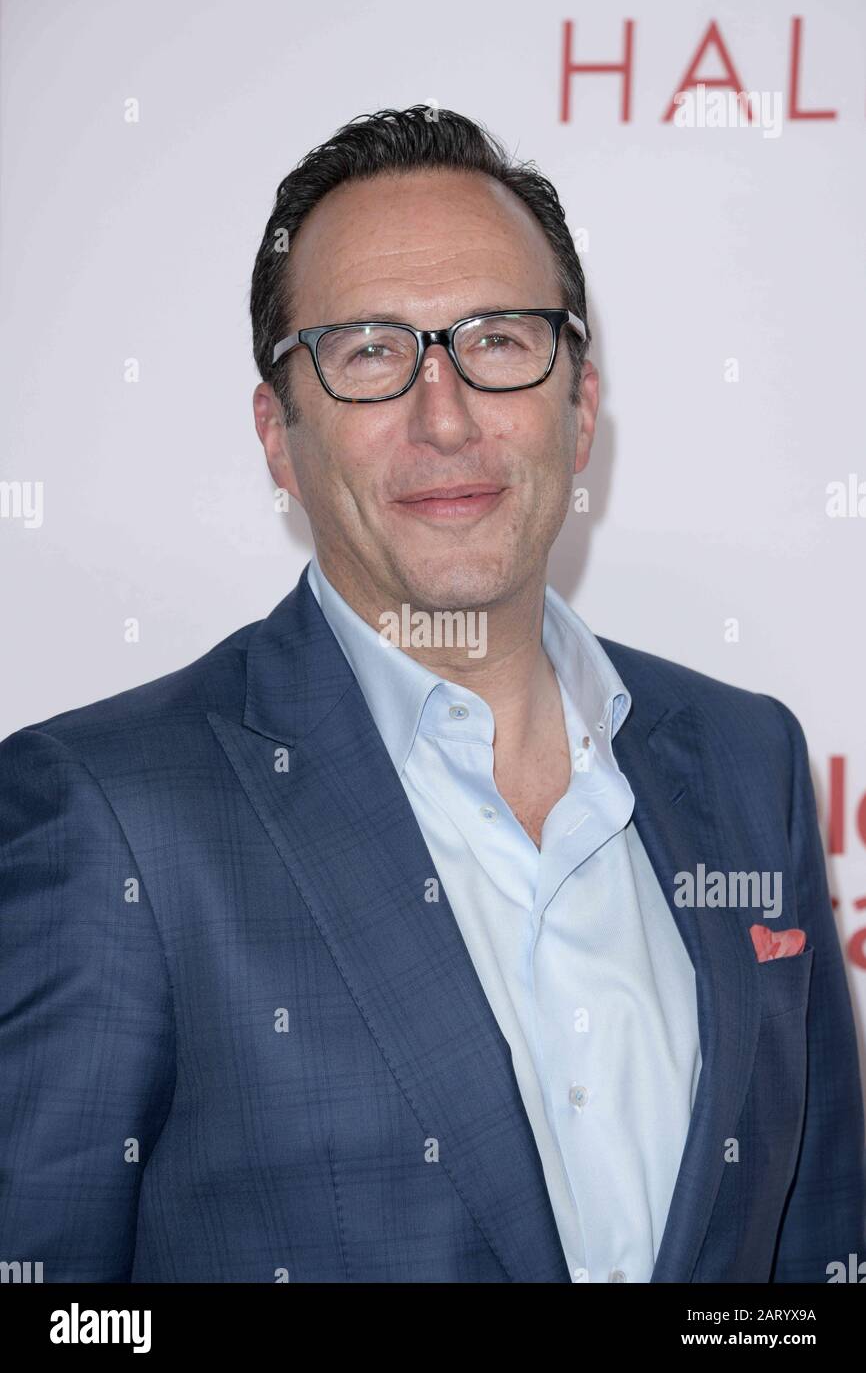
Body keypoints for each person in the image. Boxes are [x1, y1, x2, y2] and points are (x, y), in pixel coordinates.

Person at [1, 105, 863, 1284]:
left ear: (578, 403)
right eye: (368, 352)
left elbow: (812, 1248)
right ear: (277, 435)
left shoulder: (742, 756)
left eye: (497, 341)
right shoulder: (109, 811)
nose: (444, 416)